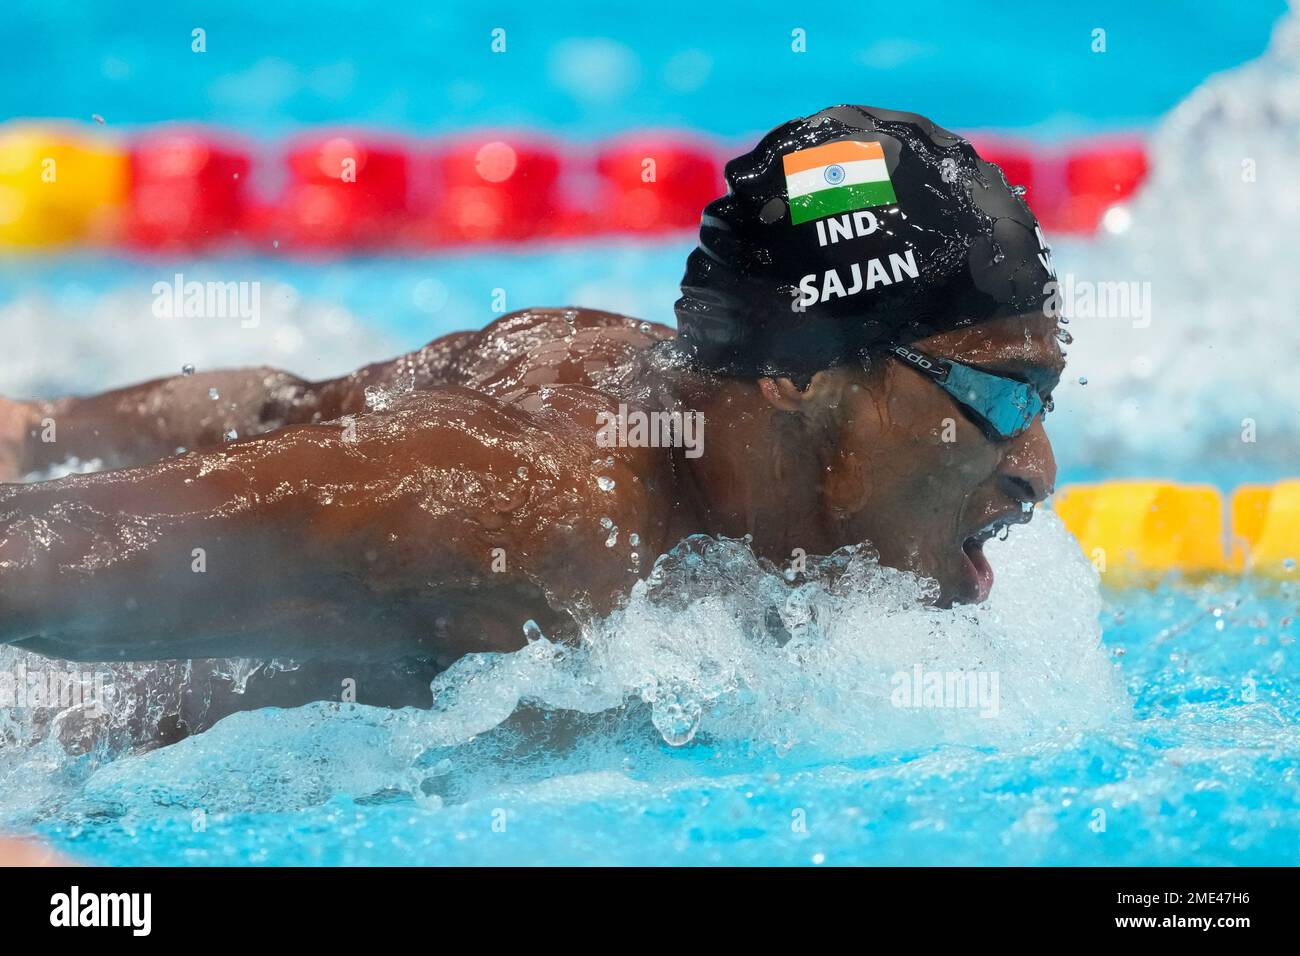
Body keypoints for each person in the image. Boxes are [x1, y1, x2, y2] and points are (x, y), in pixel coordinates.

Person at [0, 105, 1063, 732]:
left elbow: (281, 406)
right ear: (805, 373)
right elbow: (55, 552)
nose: (1038, 469)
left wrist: (39, 428)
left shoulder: (622, 373)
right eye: (1002, 397)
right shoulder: (530, 510)